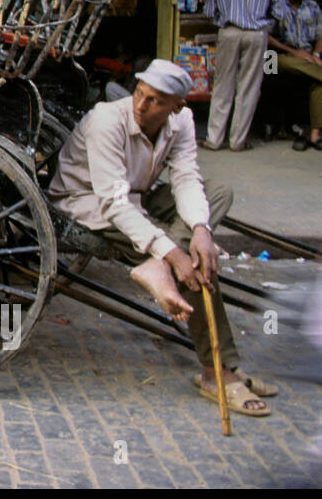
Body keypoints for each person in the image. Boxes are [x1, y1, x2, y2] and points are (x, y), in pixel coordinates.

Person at [48, 59, 277, 416]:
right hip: (90, 202)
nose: (141, 105)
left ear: (177, 106)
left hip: (139, 193)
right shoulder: (108, 119)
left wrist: (200, 229)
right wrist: (174, 252)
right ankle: (217, 372)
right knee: (191, 269)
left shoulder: (182, 122)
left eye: (155, 100)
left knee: (216, 198)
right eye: (139, 93)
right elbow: (113, 202)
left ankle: (158, 268)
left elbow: (186, 177)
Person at [201, 0, 289, 151]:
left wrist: (224, 22)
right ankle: (238, 141)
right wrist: (264, 25)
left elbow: (209, 11)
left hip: (229, 32)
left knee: (222, 84)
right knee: (249, 85)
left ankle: (213, 139)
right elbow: (280, 12)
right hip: (256, 34)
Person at [266, 0, 322, 150]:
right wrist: (293, 52)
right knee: (278, 63)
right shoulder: (276, 6)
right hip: (279, 55)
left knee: (318, 83)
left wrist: (316, 55)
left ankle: (314, 135)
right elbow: (265, 36)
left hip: (308, 59)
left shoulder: (312, 6)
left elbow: (321, 35)